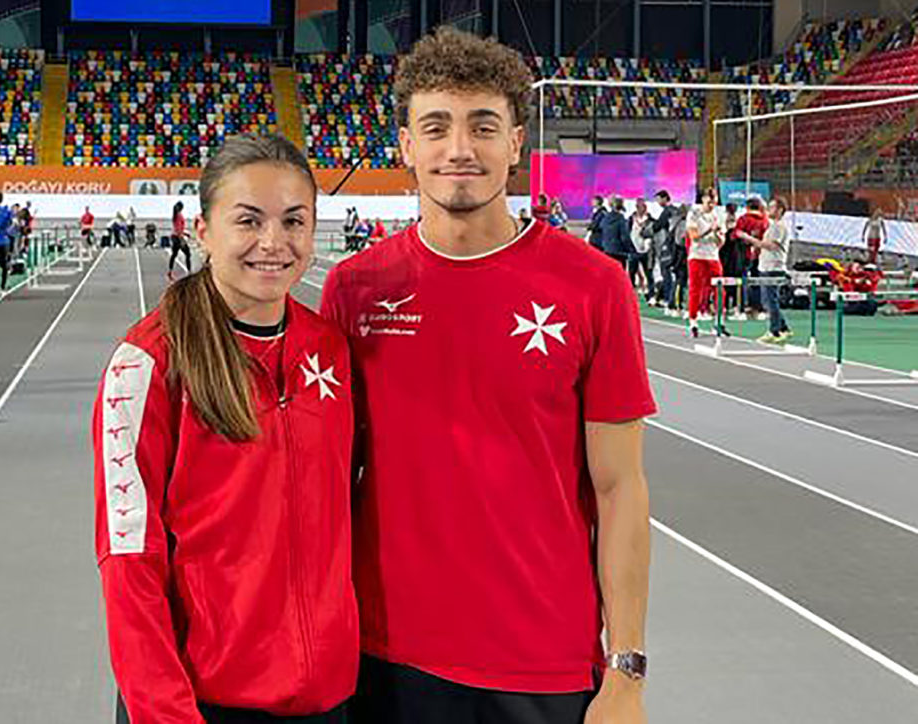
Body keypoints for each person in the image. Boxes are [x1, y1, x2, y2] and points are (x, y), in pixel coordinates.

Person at [321, 27, 654, 724]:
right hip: (386, 657)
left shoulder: (594, 287)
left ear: (516, 142)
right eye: (436, 127)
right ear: (408, 147)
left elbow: (620, 487)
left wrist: (627, 670)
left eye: (483, 126)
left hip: (544, 661)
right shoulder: (355, 290)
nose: (460, 149)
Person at [94, 134, 357, 724]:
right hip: (204, 704)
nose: (273, 242)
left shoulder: (332, 350)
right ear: (203, 231)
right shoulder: (148, 362)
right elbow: (129, 561)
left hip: (328, 700)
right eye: (248, 221)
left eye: (294, 221)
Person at [740, 197, 792, 343]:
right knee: (768, 300)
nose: (769, 209)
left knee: (769, 301)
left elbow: (771, 246)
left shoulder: (779, 227)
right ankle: (783, 328)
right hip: (766, 266)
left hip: (773, 267)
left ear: (780, 210)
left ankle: (774, 331)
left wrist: (749, 238)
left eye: (772, 207)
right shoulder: (772, 225)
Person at [686, 188, 725, 338]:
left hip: (713, 257)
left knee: (719, 289)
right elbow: (694, 236)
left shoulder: (717, 215)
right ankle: (693, 323)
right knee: (695, 289)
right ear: (703, 199)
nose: (711, 205)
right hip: (697, 255)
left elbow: (721, 243)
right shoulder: (694, 213)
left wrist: (717, 235)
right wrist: (710, 230)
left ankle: (718, 322)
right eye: (709, 202)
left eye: (714, 203)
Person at [731, 197, 768, 320]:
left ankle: (741, 309)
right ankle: (759, 309)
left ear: (747, 207)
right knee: (757, 281)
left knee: (742, 281)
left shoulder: (743, 219)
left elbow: (734, 235)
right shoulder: (764, 221)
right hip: (761, 255)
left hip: (744, 254)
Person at [651, 190, 676, 309]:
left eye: (659, 199)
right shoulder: (675, 210)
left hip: (669, 245)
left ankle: (667, 298)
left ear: (665, 198)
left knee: (665, 271)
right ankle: (670, 298)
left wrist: (650, 224)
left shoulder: (667, 211)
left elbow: (657, 226)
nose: (658, 202)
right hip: (676, 246)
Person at [627, 197, 654, 297]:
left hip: (646, 250)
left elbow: (653, 233)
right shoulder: (631, 219)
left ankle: (651, 294)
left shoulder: (650, 219)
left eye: (642, 206)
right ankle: (630, 293)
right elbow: (627, 232)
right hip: (634, 250)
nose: (640, 208)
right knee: (631, 273)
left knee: (649, 273)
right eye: (638, 206)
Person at [601, 194, 634, 268]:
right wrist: (631, 251)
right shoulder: (621, 219)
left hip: (607, 251)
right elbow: (624, 237)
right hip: (619, 253)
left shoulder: (605, 218)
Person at [167, 201, 192, 280]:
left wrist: (185, 234)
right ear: (181, 208)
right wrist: (182, 239)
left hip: (175, 237)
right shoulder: (179, 216)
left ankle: (170, 272)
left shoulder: (175, 215)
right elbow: (178, 229)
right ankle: (189, 272)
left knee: (174, 254)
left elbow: (178, 228)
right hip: (178, 238)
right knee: (188, 254)